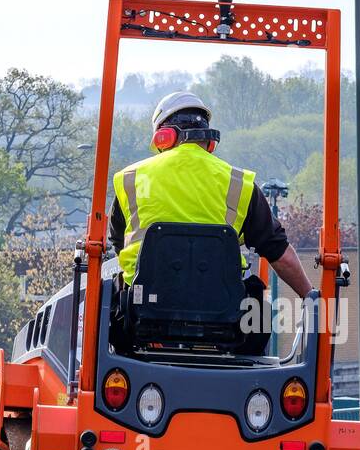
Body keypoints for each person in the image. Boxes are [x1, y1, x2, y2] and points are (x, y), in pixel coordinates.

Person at [110, 91, 313, 304]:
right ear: (209, 141)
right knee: (258, 315)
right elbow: (280, 253)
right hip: (220, 313)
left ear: (164, 137)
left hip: (142, 312)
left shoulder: (131, 179)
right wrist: (310, 297)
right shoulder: (239, 183)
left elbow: (119, 242)